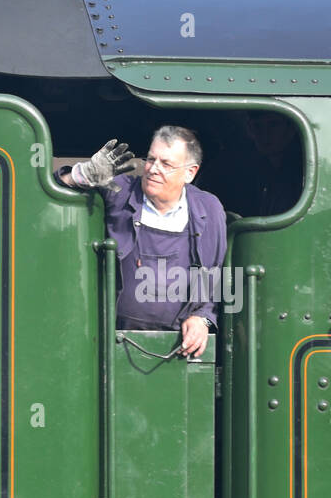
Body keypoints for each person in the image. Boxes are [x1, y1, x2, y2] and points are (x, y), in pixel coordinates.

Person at [58, 126, 226, 358]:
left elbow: (215, 280)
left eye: (166, 164)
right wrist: (80, 175)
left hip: (177, 350)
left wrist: (203, 319)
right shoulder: (120, 190)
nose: (154, 169)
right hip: (111, 341)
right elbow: (53, 194)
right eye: (151, 159)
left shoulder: (209, 208)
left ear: (190, 173)